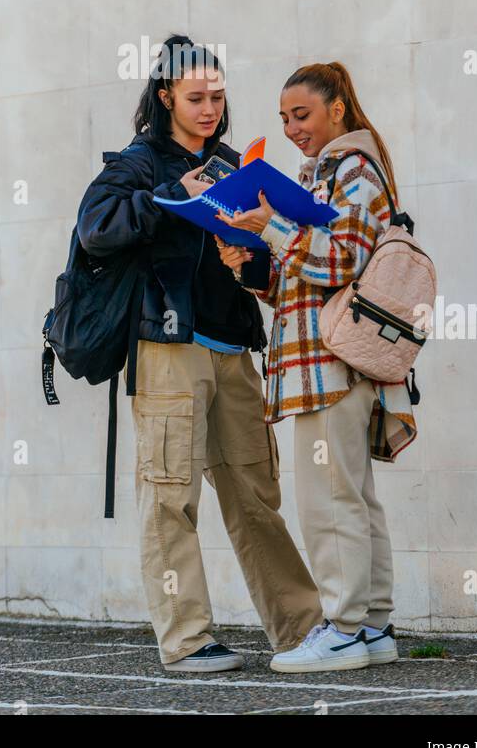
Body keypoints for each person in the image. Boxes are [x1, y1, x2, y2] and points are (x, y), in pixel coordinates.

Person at [76, 35, 321, 672]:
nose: (210, 109)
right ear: (166, 98)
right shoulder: (137, 163)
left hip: (232, 346)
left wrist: (254, 250)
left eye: (217, 97)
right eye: (196, 98)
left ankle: (301, 631)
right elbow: (95, 230)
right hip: (167, 347)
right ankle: (187, 640)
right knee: (169, 497)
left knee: (254, 498)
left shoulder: (237, 165)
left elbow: (260, 266)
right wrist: (167, 199)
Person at [214, 61, 417, 673]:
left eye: (301, 114)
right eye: (283, 119)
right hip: (323, 359)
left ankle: (345, 628)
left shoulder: (352, 167)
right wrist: (249, 260)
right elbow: (301, 283)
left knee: (329, 501)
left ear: (337, 108)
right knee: (350, 496)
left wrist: (271, 226)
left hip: (331, 365)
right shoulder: (320, 174)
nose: (292, 128)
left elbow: (344, 260)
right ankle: (373, 627)